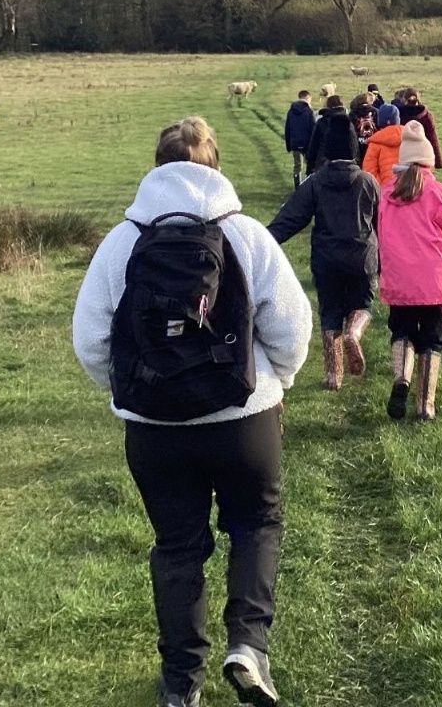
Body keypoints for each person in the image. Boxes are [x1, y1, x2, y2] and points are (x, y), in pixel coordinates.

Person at [73, 116, 312, 707]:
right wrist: (274, 383)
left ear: (155, 167)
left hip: (154, 427)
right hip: (244, 418)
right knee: (256, 522)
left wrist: (131, 391)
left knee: (177, 544)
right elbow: (292, 326)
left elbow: (90, 340)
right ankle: (248, 647)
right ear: (215, 164)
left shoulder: (122, 241)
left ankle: (182, 683)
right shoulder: (248, 235)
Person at [267, 114, 379, 390]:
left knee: (329, 312)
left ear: (327, 150)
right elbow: (384, 224)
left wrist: (262, 241)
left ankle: (333, 375)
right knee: (362, 305)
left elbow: (290, 219)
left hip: (327, 259)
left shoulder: (315, 183)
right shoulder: (367, 182)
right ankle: (354, 332)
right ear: (354, 149)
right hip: (361, 257)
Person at [377, 121, 442, 422]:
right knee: (432, 339)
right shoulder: (439, 192)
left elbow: (378, 236)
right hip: (434, 280)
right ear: (428, 159)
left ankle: (402, 378)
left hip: (400, 280)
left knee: (402, 332)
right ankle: (424, 406)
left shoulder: (386, 194)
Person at [396, 87, 442, 169]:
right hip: (423, 153)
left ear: (404, 99)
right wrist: (438, 162)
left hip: (405, 153)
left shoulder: (399, 114)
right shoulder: (426, 115)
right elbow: (432, 138)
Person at [305, 94, 348, 174]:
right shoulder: (348, 122)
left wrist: (310, 168)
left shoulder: (322, 122)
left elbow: (314, 146)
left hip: (323, 162)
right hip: (344, 163)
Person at [362, 103, 402, 186]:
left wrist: (382, 186)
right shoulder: (410, 137)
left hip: (384, 191)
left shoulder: (375, 142)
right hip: (409, 188)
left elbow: (369, 171)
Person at [283, 90, 316, 189]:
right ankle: (308, 186)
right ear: (307, 98)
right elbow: (313, 128)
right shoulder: (309, 111)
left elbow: (287, 128)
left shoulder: (291, 111)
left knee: (297, 165)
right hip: (308, 143)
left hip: (295, 142)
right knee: (309, 164)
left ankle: (297, 186)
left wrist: (288, 145)